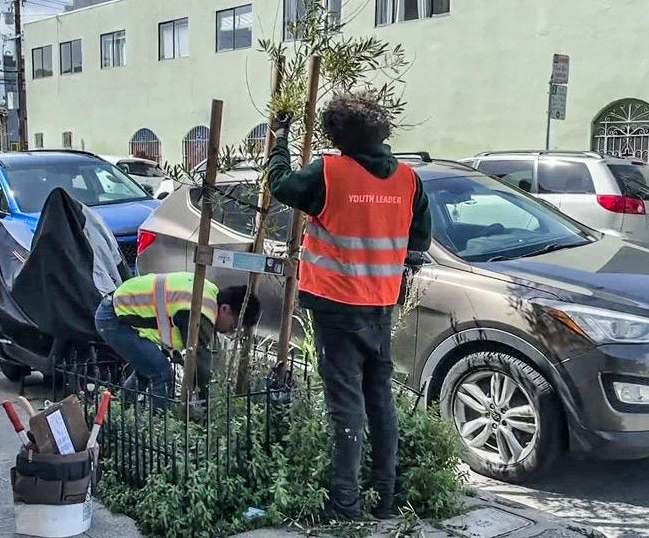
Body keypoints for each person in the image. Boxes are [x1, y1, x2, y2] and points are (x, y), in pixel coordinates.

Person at [267, 91, 432, 520]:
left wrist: (280, 138)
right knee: (380, 398)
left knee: (346, 403)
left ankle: (346, 505)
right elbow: (419, 241)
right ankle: (386, 499)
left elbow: (281, 185)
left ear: (337, 135)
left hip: (336, 304)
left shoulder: (331, 172)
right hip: (380, 305)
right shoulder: (408, 179)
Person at [94, 271, 261, 409]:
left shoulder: (209, 293)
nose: (229, 332)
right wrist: (208, 407)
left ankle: (119, 412)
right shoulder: (202, 313)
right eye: (233, 326)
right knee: (161, 373)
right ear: (225, 309)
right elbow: (202, 367)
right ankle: (157, 431)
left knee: (148, 368)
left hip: (115, 309)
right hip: (113, 319)